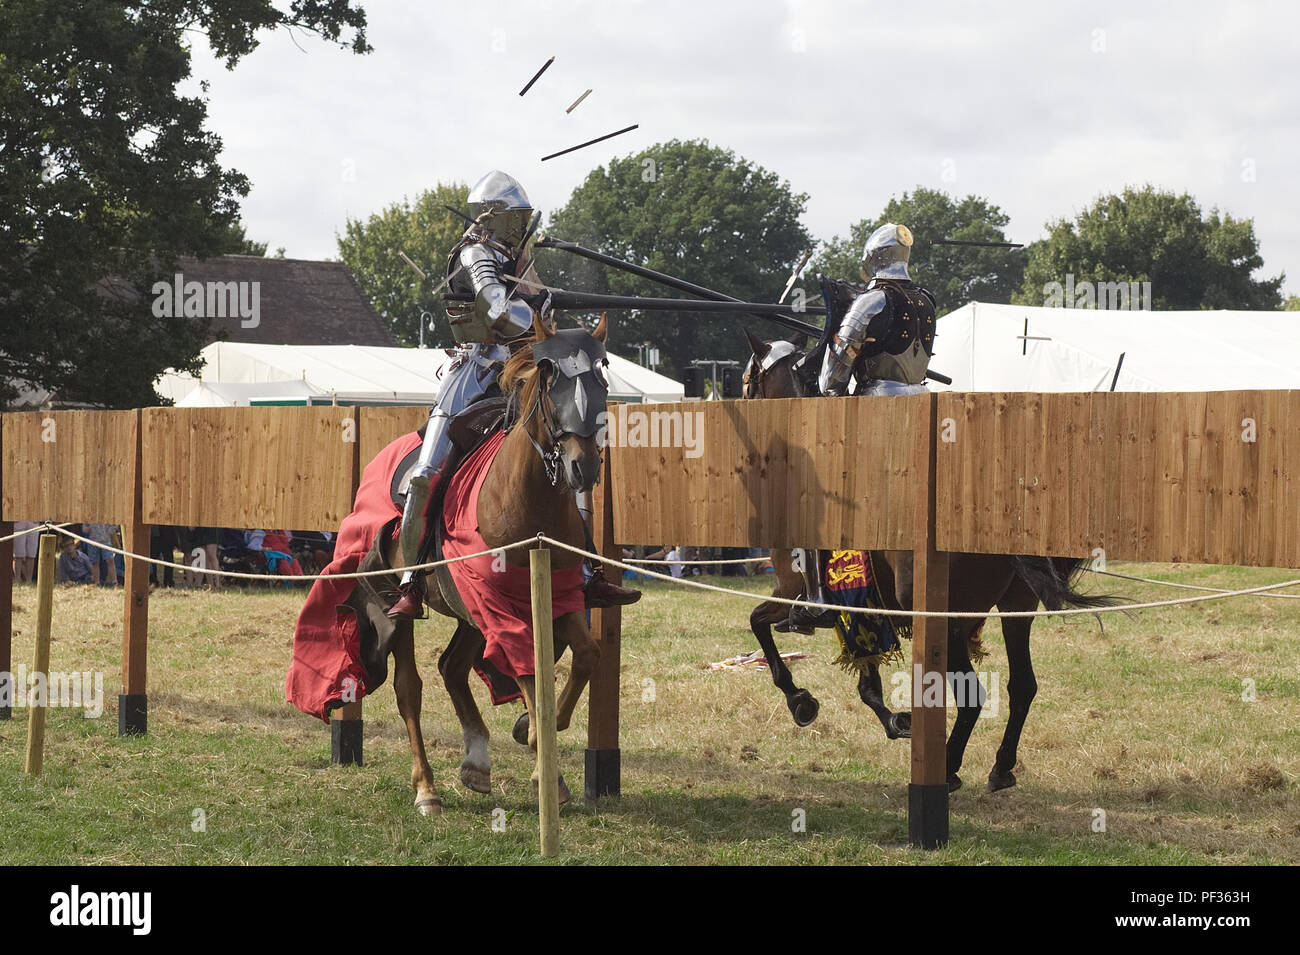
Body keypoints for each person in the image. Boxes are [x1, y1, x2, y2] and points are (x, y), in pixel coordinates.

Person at [387, 169, 640, 619]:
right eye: (515, 217)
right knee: (427, 474)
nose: (521, 225)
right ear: (493, 216)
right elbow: (500, 312)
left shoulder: (518, 261)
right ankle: (411, 580)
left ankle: (587, 573)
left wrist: (554, 304)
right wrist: (542, 312)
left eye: (524, 217)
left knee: (569, 450)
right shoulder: (475, 253)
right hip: (475, 369)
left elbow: (539, 307)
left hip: (524, 369)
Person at [787, 222, 937, 630]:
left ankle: (819, 595)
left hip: (876, 414)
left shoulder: (870, 302)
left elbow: (830, 376)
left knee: (817, 493)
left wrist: (834, 387)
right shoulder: (926, 301)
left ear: (872, 259)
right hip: (923, 410)